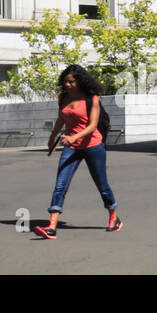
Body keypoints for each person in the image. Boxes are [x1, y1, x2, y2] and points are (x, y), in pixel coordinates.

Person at [34, 64, 121, 238]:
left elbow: (92, 126)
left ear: (80, 82)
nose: (67, 85)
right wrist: (52, 136)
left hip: (93, 146)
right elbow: (61, 118)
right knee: (60, 184)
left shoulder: (91, 99)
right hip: (71, 148)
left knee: (102, 185)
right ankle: (52, 225)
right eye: (65, 81)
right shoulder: (62, 98)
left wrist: (74, 137)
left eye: (71, 82)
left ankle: (113, 216)